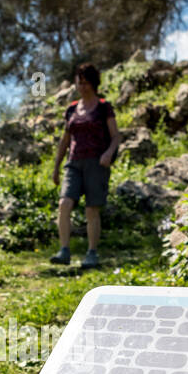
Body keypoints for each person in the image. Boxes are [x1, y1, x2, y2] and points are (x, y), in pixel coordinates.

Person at [50, 63, 121, 269]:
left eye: (86, 83)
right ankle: (64, 250)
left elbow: (116, 136)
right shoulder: (72, 109)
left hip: (96, 162)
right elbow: (65, 140)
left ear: (93, 84)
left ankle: (92, 252)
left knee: (92, 209)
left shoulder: (103, 107)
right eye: (79, 82)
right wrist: (56, 167)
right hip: (73, 163)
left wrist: (109, 153)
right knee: (64, 204)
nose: (82, 87)